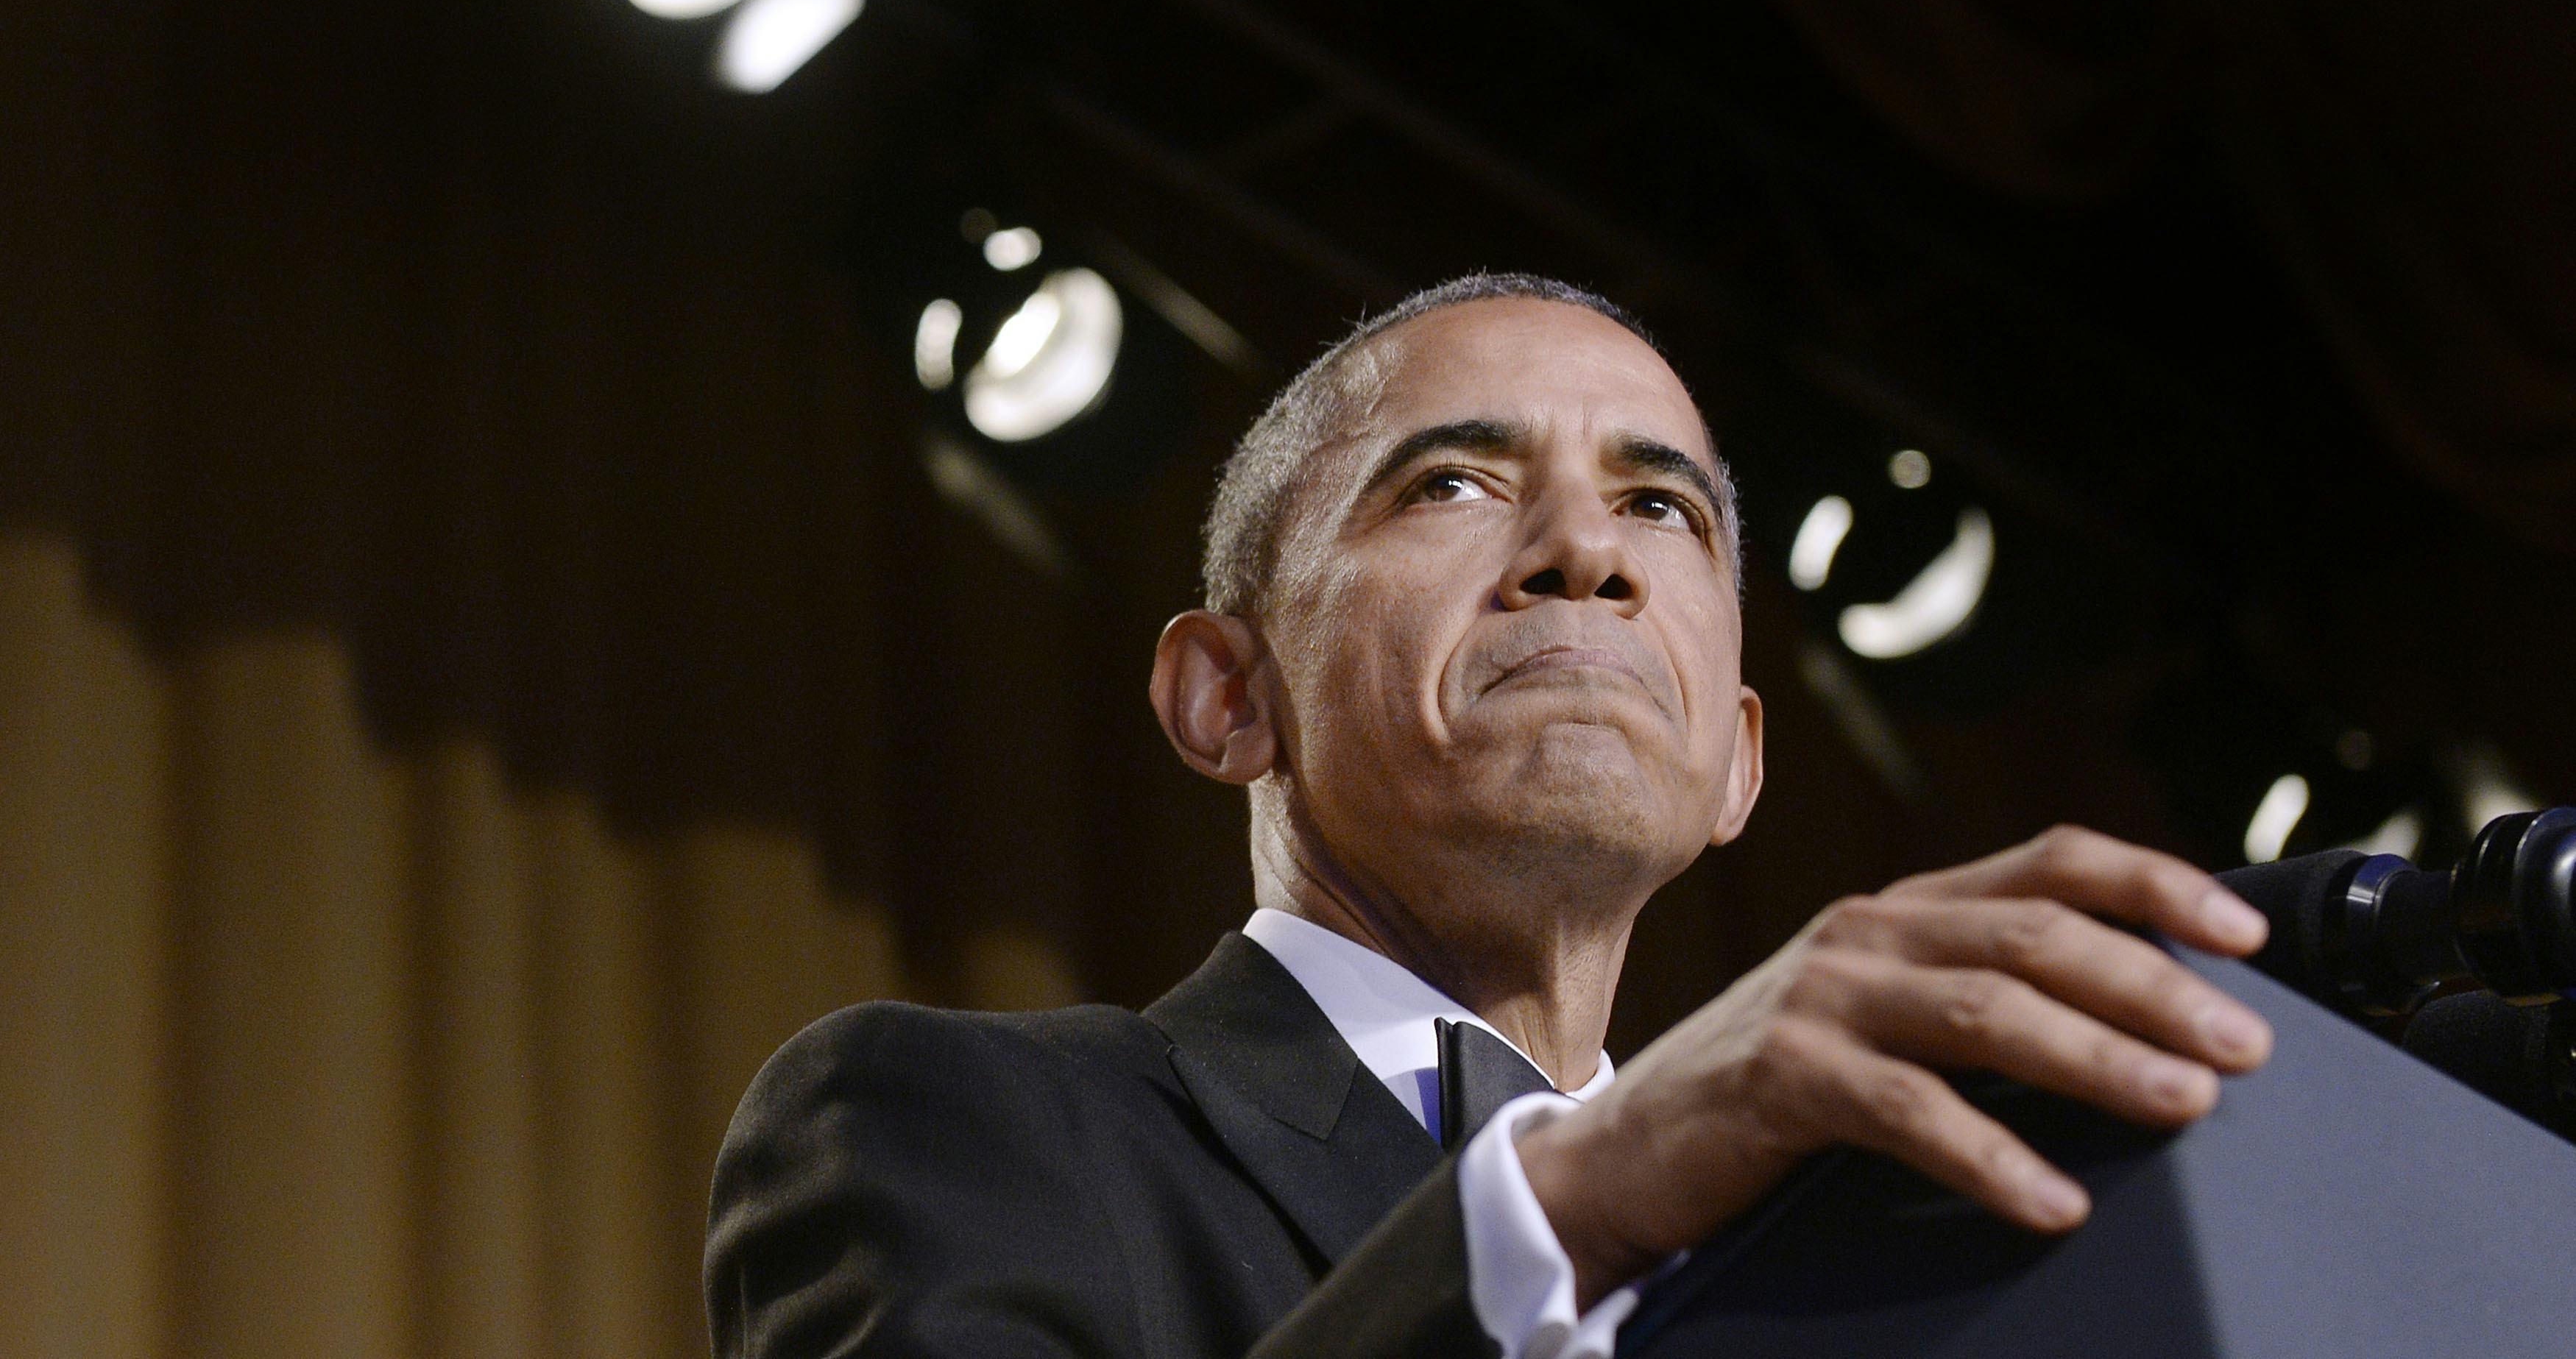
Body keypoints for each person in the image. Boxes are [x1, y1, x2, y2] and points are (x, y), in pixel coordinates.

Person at [704, 274, 2276, 1359]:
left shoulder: (1875, 1264)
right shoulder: (957, 1125)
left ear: (1739, 764)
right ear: (1224, 697)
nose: (1585, 551)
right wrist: (1572, 1202)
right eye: (1451, 481)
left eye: (1661, 507)